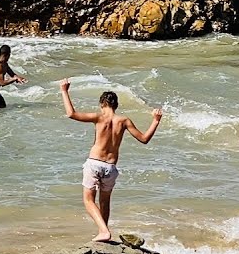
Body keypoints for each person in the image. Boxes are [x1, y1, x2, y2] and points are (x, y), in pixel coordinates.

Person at [60, 80, 162, 242]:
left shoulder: (98, 117)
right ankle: (104, 232)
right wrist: (155, 120)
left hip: (94, 163)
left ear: (102, 104)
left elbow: (72, 114)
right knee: (105, 201)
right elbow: (144, 139)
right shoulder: (124, 121)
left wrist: (64, 91)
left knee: (88, 200)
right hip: (111, 168)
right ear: (116, 105)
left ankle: (103, 231)